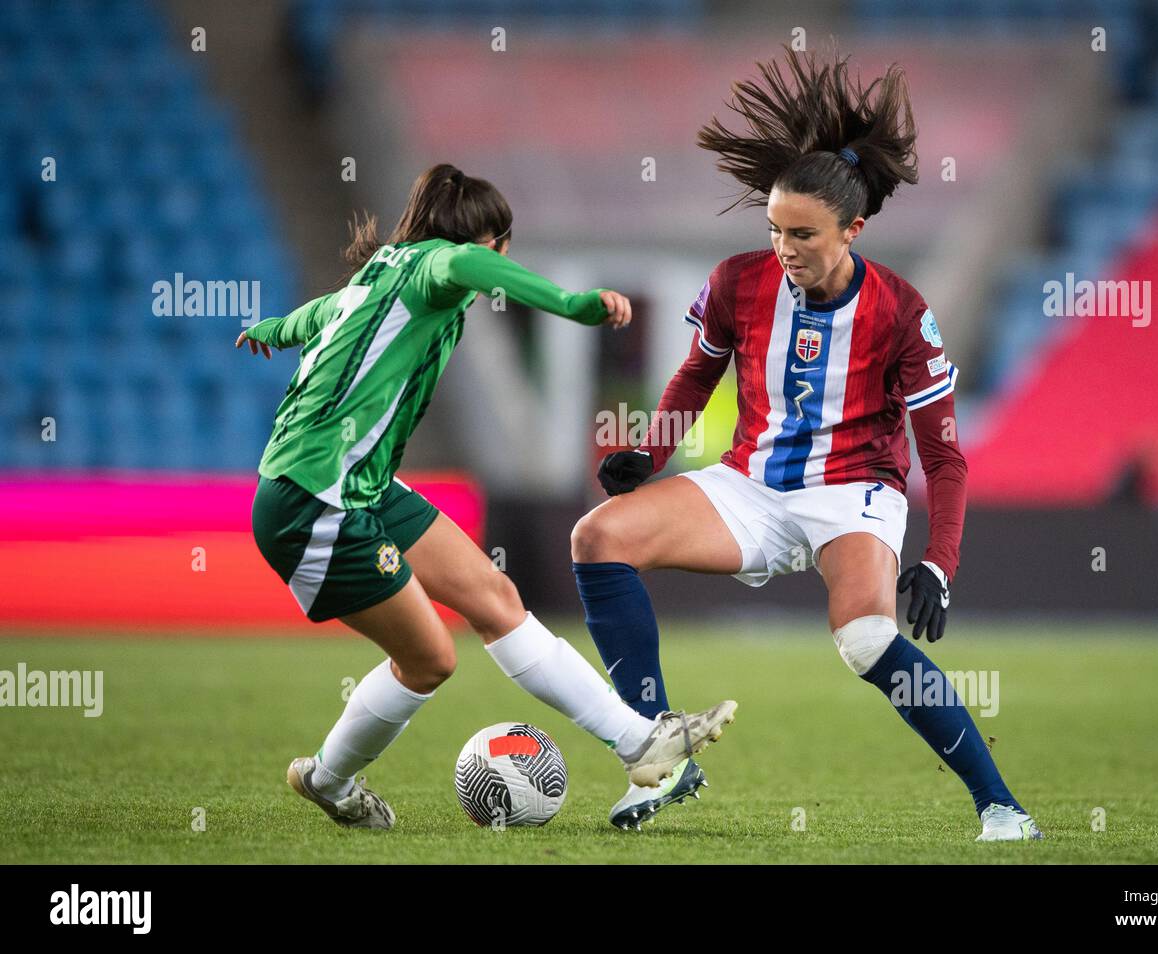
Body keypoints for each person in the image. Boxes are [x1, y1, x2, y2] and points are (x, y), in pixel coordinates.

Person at [569, 48, 1041, 840]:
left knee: (863, 637)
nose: (785, 249)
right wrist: (648, 455)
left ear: (853, 229)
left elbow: (946, 456)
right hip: (748, 484)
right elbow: (696, 376)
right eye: (775, 230)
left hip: (853, 490)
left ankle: (1000, 806)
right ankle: (659, 749)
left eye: (805, 234)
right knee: (597, 537)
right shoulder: (737, 282)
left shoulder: (901, 311)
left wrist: (939, 564)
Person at [236, 164, 736, 829]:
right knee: (428, 660)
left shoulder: (374, 279)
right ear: (489, 242)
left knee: (497, 601)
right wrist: (576, 305)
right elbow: (470, 264)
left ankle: (641, 745)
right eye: (501, 246)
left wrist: (270, 330)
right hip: (313, 501)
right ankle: (329, 780)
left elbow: (312, 317)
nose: (495, 262)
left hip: (364, 486)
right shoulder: (438, 265)